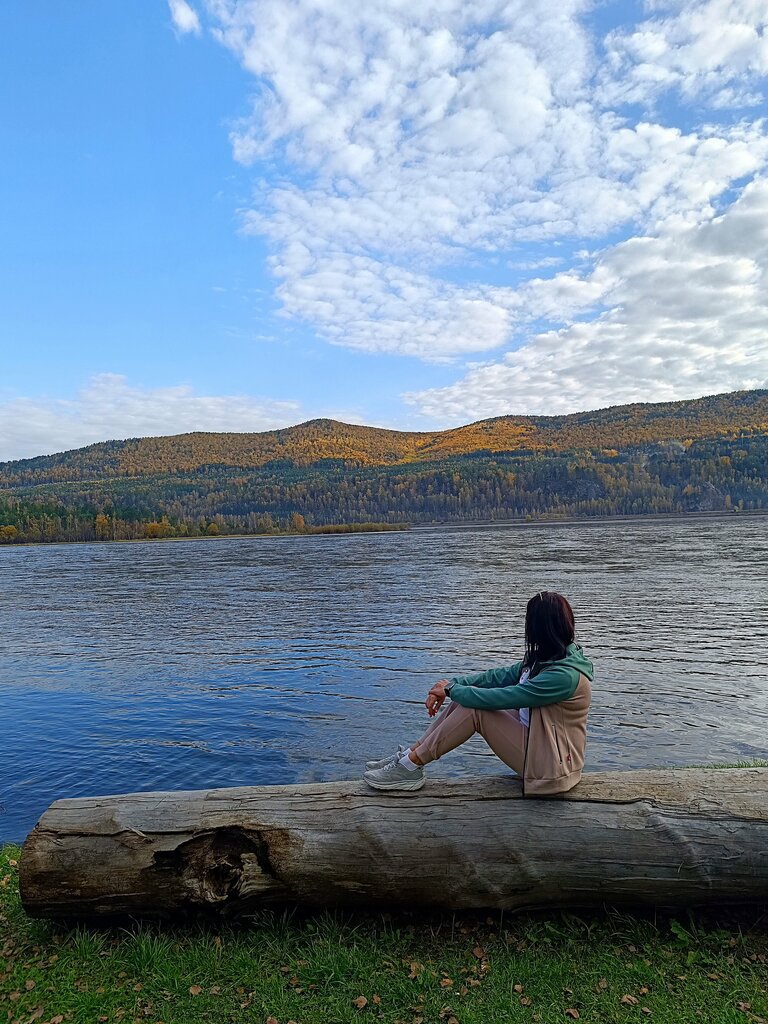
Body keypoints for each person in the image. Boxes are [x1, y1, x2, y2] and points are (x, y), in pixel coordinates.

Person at [363, 591, 593, 796]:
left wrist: (453, 690)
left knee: (475, 708)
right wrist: (451, 685)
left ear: (539, 628)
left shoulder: (564, 676)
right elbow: (495, 678)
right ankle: (409, 758)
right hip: (538, 745)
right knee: (467, 699)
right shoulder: (543, 660)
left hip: (553, 768)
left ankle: (412, 764)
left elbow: (503, 697)